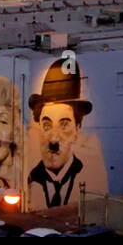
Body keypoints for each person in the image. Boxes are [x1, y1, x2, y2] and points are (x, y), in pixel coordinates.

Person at [26, 60, 91, 208]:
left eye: (64, 125)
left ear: (77, 129)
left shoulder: (87, 179)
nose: (54, 139)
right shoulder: (31, 179)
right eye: (47, 125)